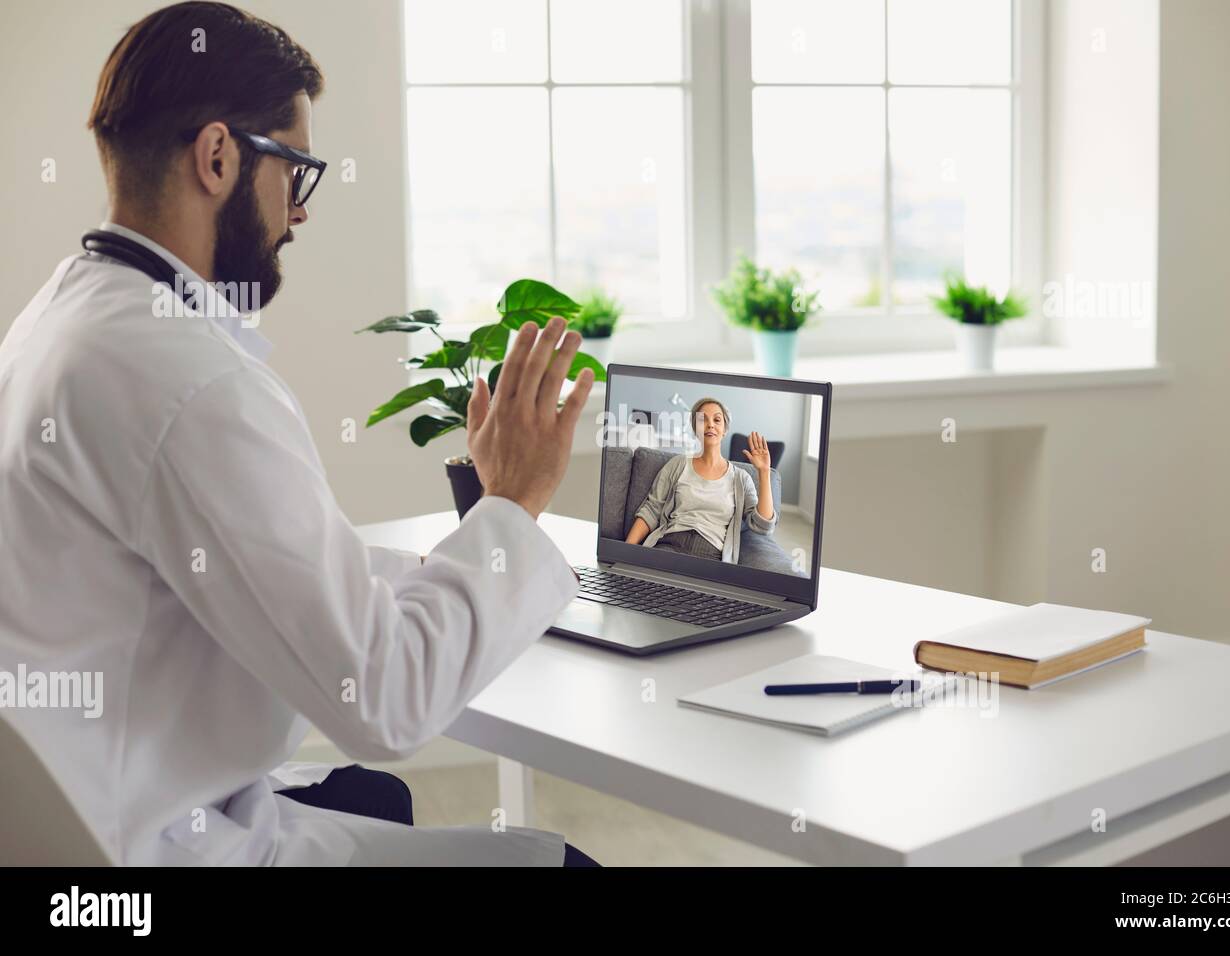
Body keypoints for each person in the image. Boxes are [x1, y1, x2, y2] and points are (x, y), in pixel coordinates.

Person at [0, 2, 598, 866]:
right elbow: (385, 701)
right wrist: (511, 499)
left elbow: (225, 565)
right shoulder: (193, 381)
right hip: (145, 851)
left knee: (370, 797)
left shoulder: (60, 320)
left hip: (84, 811)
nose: (300, 214)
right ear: (219, 157)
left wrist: (424, 575)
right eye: (297, 173)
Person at [624, 397, 777, 563]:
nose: (710, 424)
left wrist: (764, 472)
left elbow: (763, 526)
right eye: (703, 419)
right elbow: (651, 511)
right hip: (669, 545)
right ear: (695, 428)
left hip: (710, 555)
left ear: (725, 429)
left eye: (717, 420)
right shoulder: (678, 464)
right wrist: (625, 551)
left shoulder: (741, 478)